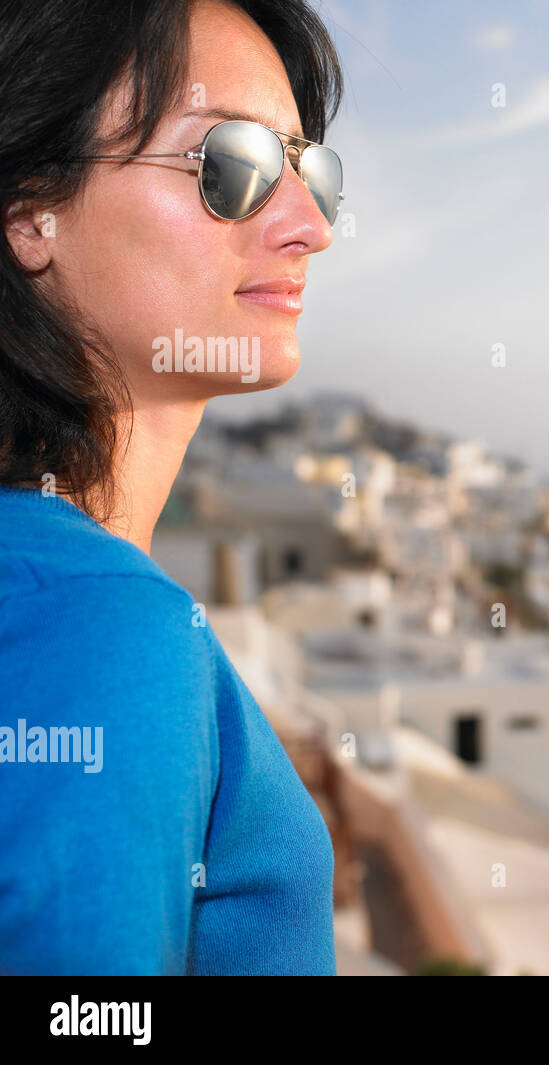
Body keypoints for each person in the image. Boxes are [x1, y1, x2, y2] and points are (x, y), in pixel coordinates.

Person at [0, 0, 345, 975]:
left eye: (311, 171)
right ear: (30, 213)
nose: (310, 228)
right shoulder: (100, 630)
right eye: (230, 163)